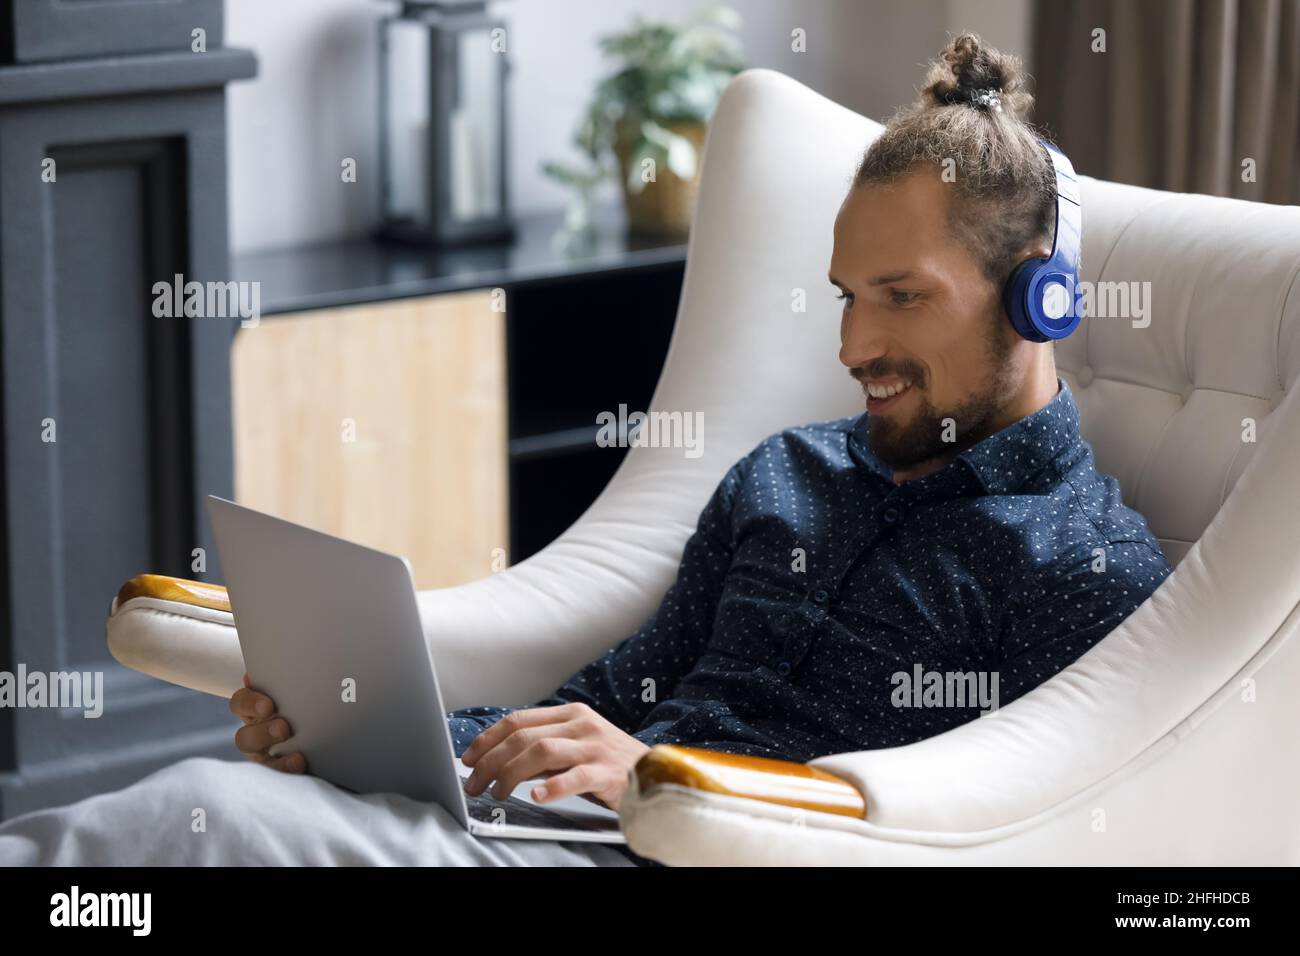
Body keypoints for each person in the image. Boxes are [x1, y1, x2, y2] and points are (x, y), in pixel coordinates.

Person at [0, 33, 1171, 867]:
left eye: (900, 297)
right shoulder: (786, 475)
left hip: (703, 853)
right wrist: (375, 741)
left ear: (1041, 299)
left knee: (196, 830)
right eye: (844, 297)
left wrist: (671, 788)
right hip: (557, 831)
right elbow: (609, 699)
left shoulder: (1084, 569)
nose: (854, 343)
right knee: (211, 808)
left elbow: (1003, 831)